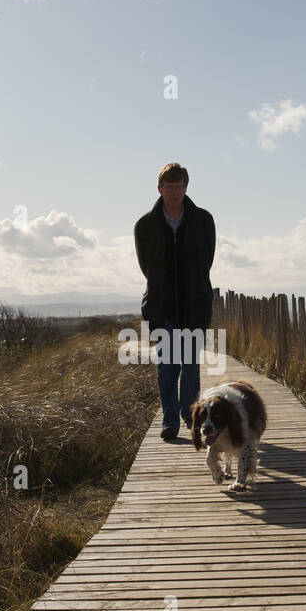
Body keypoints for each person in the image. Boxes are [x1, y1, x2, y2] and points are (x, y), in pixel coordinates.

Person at [134, 163, 216, 441]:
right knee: (167, 369)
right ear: (160, 189)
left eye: (179, 186)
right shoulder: (145, 225)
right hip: (162, 309)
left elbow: (207, 262)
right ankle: (170, 422)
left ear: (186, 187)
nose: (174, 192)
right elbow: (147, 268)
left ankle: (189, 415)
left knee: (190, 368)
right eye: (169, 187)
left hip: (194, 308)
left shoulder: (203, 220)